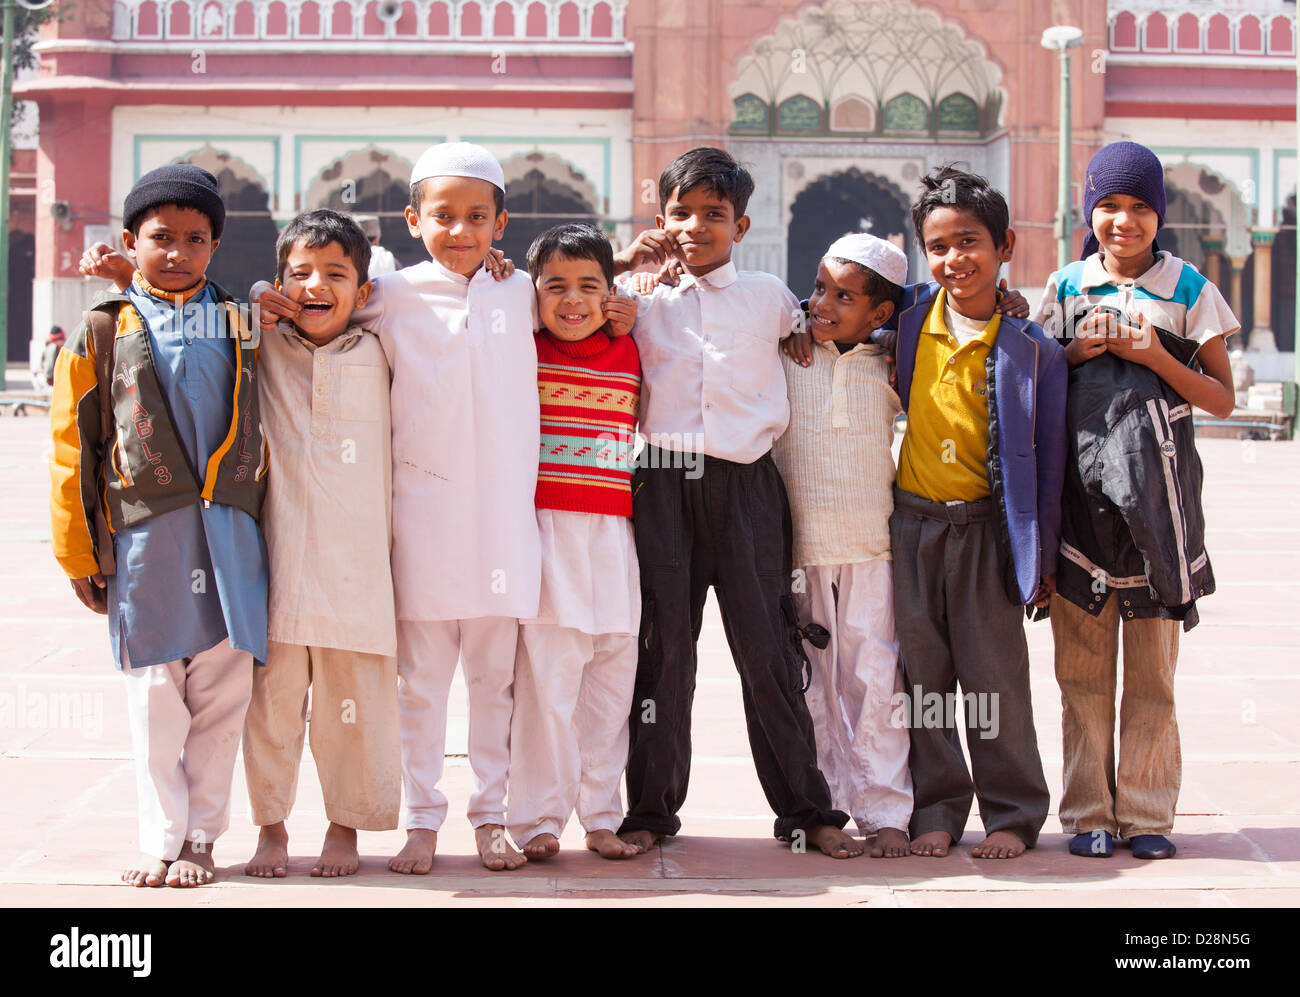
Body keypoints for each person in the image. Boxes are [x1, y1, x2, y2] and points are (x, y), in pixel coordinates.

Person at [253, 143, 542, 873]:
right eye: (443, 216)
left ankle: (490, 816)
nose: (460, 231)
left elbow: (589, 292)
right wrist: (267, 295)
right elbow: (321, 295)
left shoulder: (524, 293)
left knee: (494, 688)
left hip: (504, 528)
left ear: (502, 221)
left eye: (478, 217)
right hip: (420, 526)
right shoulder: (394, 294)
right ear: (414, 219)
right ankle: (421, 819)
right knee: (418, 688)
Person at [608, 147, 860, 859]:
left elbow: (846, 322)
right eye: (681, 213)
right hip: (661, 482)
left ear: (741, 226)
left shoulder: (772, 300)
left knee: (769, 651)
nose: (696, 226)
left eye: (714, 214)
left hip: (747, 488)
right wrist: (626, 263)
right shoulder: (637, 304)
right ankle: (650, 810)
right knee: (664, 653)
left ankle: (808, 810)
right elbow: (557, 291)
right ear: (661, 219)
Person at [53, 163, 267, 887]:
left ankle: (202, 837)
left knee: (220, 698)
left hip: (231, 540)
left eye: (195, 239)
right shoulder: (103, 327)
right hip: (147, 542)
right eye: (160, 237)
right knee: (152, 695)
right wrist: (79, 549)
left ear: (215, 247)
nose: (177, 252)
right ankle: (161, 837)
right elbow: (71, 445)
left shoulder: (239, 320)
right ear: (128, 240)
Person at [1032, 141, 1237, 861]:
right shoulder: (1065, 285)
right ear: (1091, 211)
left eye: (1139, 207)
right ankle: (1089, 810)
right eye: (1109, 206)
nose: (1123, 220)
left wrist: (1152, 353)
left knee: (1152, 674)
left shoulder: (1188, 288)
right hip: (1082, 507)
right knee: (1081, 673)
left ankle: (1146, 811)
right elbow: (1038, 389)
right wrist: (1077, 352)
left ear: (1160, 214)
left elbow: (1220, 398)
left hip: (1160, 506)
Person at [890, 164, 1066, 860]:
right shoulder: (903, 323)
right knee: (923, 675)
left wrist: (1041, 558)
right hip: (913, 526)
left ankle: (1014, 812)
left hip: (988, 533)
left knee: (995, 677)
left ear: (1004, 246)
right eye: (938, 246)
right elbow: (833, 308)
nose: (954, 259)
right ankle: (935, 804)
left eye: (970, 243)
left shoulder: (1032, 350)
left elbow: (1047, 467)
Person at [241, 209, 401, 879]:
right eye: (298, 273)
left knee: (355, 710)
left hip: (357, 570)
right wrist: (253, 305)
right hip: (276, 565)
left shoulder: (384, 349)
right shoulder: (262, 345)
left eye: (336, 273)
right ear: (278, 283)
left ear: (364, 292)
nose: (315, 285)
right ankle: (271, 829)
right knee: (271, 708)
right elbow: (213, 317)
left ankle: (345, 827)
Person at [771, 233, 913, 858]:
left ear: (880, 314)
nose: (822, 303)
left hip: (869, 548)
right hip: (797, 551)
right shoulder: (785, 353)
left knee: (875, 675)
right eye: (820, 287)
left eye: (843, 296)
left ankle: (886, 810)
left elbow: (947, 307)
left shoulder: (892, 364)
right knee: (810, 683)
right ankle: (822, 805)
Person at [505, 223, 643, 862]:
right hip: (547, 531)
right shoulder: (522, 349)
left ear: (612, 293)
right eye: (555, 286)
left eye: (590, 286)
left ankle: (601, 815)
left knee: (611, 681)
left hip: (614, 535)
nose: (572, 300)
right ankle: (536, 819)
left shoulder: (635, 347)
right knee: (547, 683)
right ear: (531, 295)